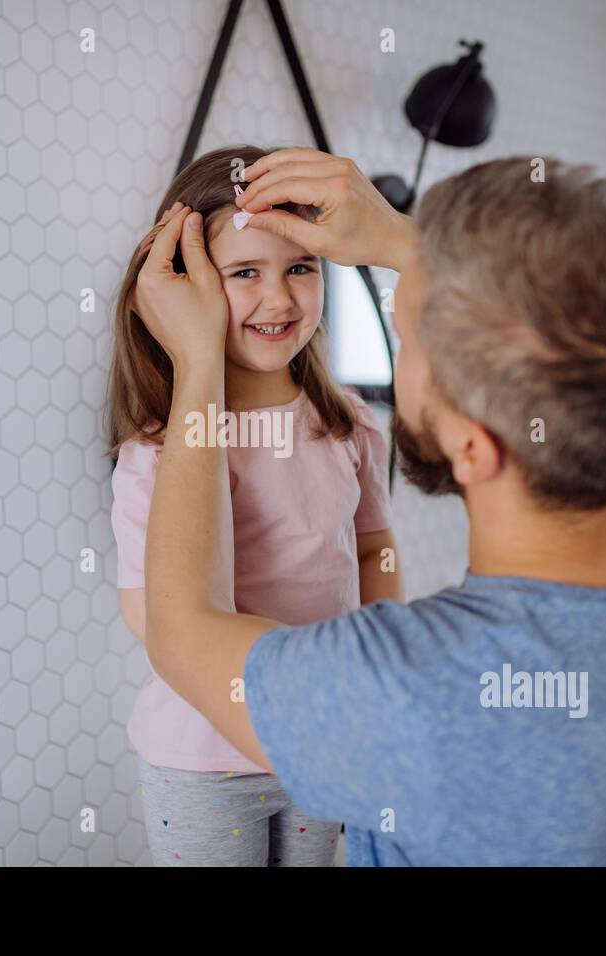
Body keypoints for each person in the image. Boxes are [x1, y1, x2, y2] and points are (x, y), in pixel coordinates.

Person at [130, 148, 606, 866]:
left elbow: (180, 630)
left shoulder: (411, 692)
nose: (399, 340)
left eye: (411, 334)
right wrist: (403, 240)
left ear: (473, 445)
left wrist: (198, 360)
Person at [108, 146, 403, 866]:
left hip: (323, 744)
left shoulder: (352, 425)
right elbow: (154, 616)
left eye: (300, 267)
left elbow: (373, 550)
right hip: (204, 761)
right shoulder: (158, 454)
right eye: (245, 273)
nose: (280, 300)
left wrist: (377, 662)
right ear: (189, 286)